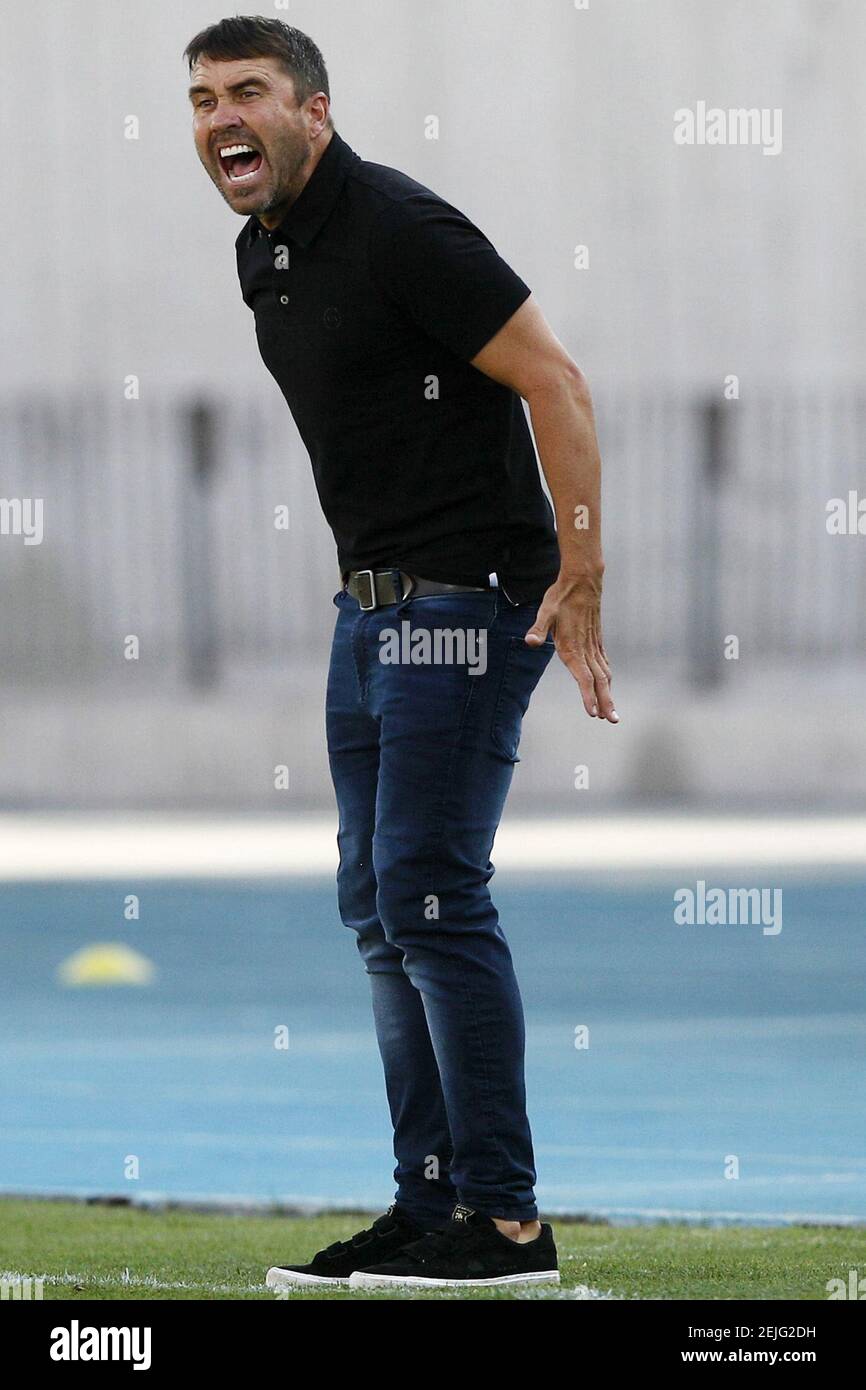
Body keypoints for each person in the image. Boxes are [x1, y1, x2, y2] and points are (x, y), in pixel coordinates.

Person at [185, 15, 617, 1291]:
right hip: (367, 613)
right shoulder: (263, 251)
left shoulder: (400, 226)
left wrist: (579, 572)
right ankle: (429, 1202)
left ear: (313, 110)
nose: (222, 117)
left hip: (465, 607)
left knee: (429, 892)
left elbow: (555, 382)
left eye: (248, 91)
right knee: (382, 910)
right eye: (202, 98)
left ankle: (505, 1224)